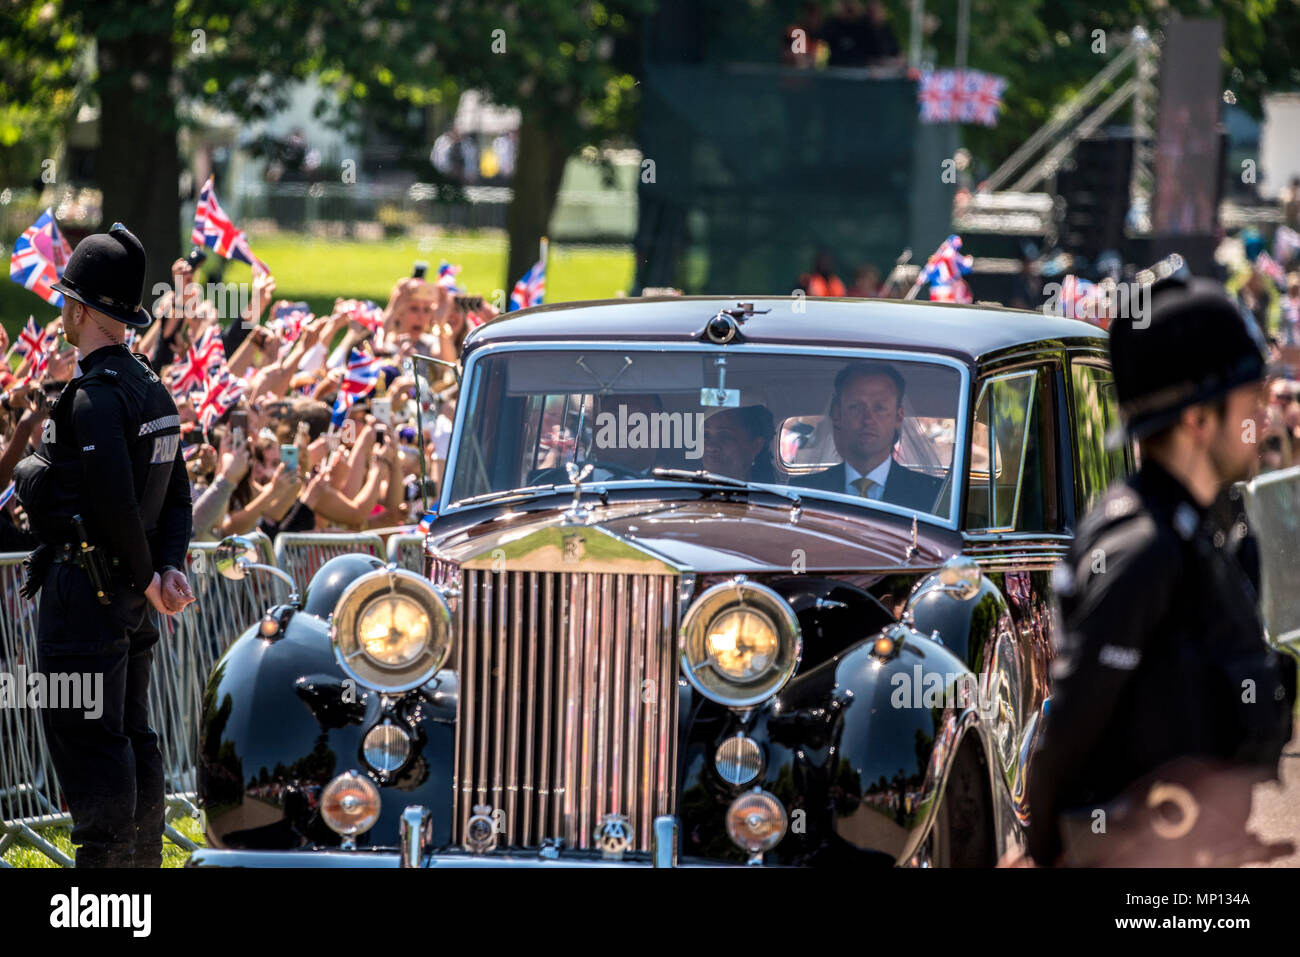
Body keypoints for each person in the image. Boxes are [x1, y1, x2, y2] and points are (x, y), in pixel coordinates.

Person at [1025, 275, 1295, 867]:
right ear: (1200, 421)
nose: (1267, 424)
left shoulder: (1199, 529)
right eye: (1252, 406)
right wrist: (1043, 850)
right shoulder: (1144, 549)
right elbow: (1070, 727)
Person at [12, 223, 196, 868]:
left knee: (91, 742)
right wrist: (164, 570)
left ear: (83, 309)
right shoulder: (152, 387)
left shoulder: (94, 396)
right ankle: (141, 871)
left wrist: (152, 576)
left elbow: (117, 501)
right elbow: (177, 498)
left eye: (67, 299)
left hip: (89, 597)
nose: (61, 310)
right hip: (127, 597)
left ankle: (105, 895)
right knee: (130, 734)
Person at [803, 362, 943, 510]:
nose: (868, 419)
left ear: (898, 417)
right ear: (837, 415)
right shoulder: (803, 491)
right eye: (856, 407)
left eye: (880, 408)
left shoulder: (933, 496)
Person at [702, 405, 776, 482]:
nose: (710, 446)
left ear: (756, 445)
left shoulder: (767, 493)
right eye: (706, 435)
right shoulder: (690, 490)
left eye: (724, 436)